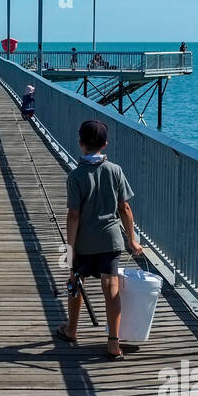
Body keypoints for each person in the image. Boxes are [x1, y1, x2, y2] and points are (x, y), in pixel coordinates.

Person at [56, 119, 144, 360]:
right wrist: (132, 241)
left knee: (76, 282)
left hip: (84, 241)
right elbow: (124, 207)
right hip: (110, 239)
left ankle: (72, 329)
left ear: (80, 142)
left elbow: (73, 215)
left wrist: (70, 250)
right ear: (105, 144)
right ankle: (113, 343)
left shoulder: (75, 176)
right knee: (111, 288)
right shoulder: (115, 171)